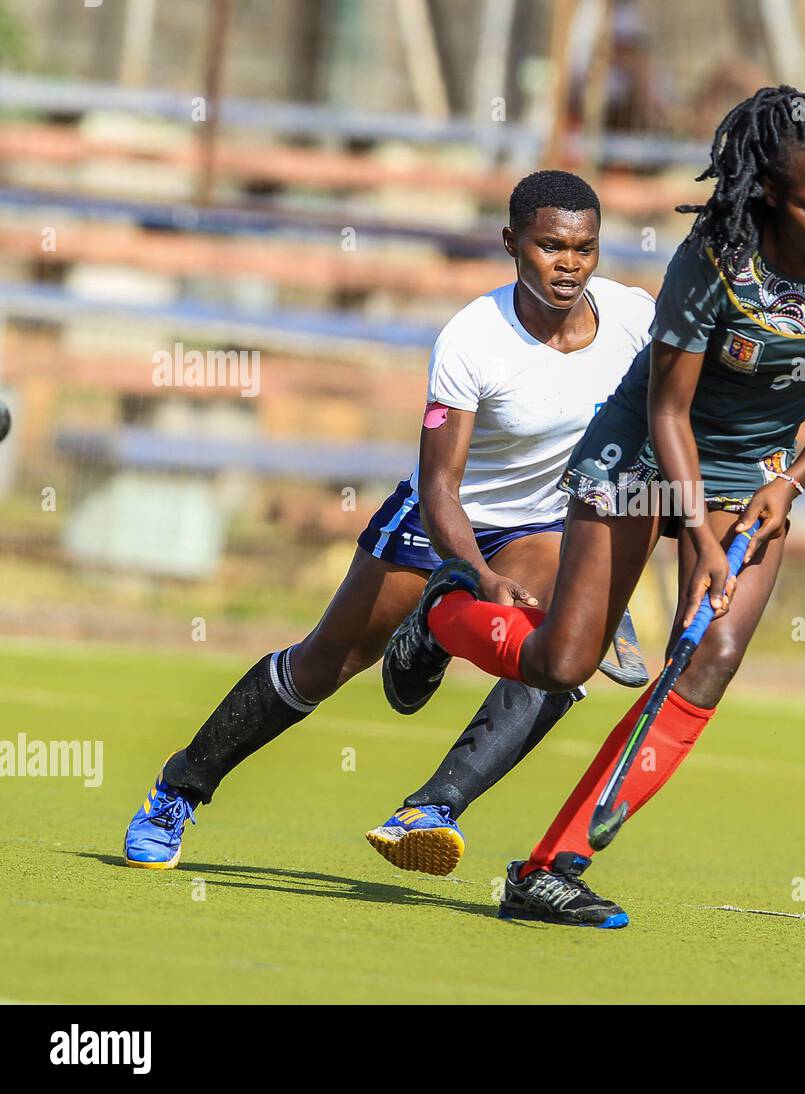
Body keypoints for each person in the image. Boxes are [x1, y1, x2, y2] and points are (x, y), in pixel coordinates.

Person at [383, 86, 805, 928]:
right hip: (644, 447)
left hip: (757, 469)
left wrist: (790, 483)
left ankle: (551, 869)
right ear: (773, 195)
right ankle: (442, 612)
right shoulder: (714, 260)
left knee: (707, 655)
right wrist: (702, 534)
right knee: (565, 664)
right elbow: (669, 411)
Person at [123, 171, 655, 876]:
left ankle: (430, 808)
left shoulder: (632, 320)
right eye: (549, 246)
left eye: (584, 248)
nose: (568, 264)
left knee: (565, 656)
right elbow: (440, 485)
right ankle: (178, 790)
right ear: (511, 243)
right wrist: (477, 574)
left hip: (542, 526)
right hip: (444, 519)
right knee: (323, 665)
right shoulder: (473, 338)